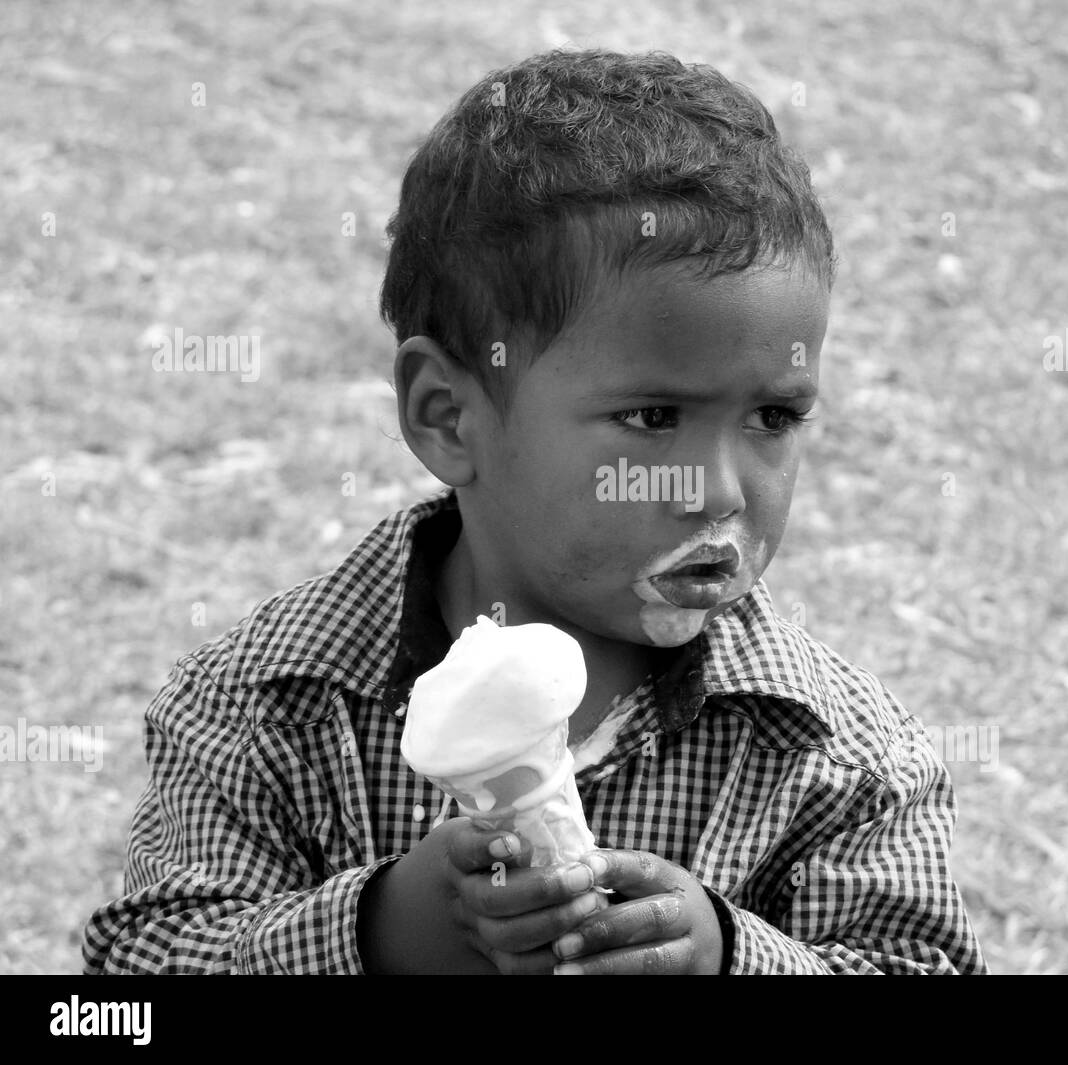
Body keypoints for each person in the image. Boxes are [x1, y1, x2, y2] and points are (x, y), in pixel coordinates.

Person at [82, 48, 988, 975]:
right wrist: (387, 932)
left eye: (774, 418)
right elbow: (137, 973)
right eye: (653, 418)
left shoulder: (846, 762)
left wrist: (729, 957)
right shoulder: (261, 711)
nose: (720, 489)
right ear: (448, 415)